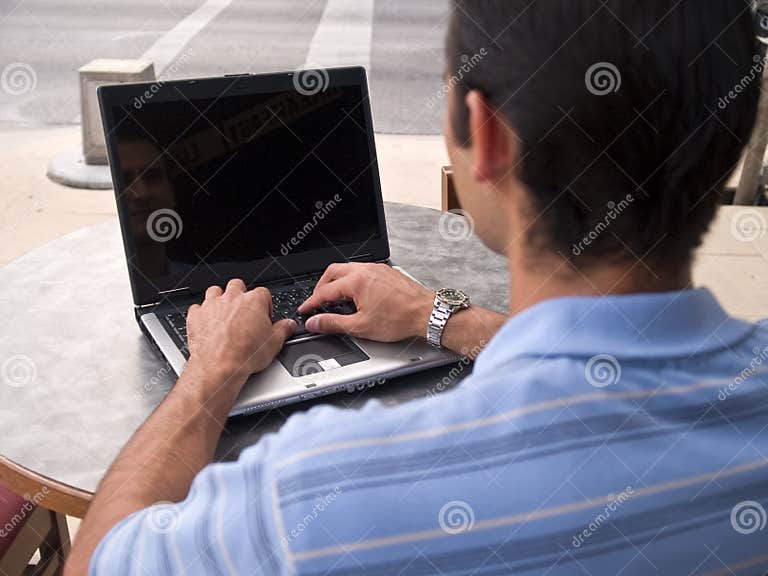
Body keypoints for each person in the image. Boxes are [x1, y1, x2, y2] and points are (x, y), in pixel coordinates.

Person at [65, 1, 768, 574]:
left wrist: (211, 375)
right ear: (733, 133)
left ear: (486, 137)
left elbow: (96, 561)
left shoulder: (311, 496)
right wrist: (441, 318)